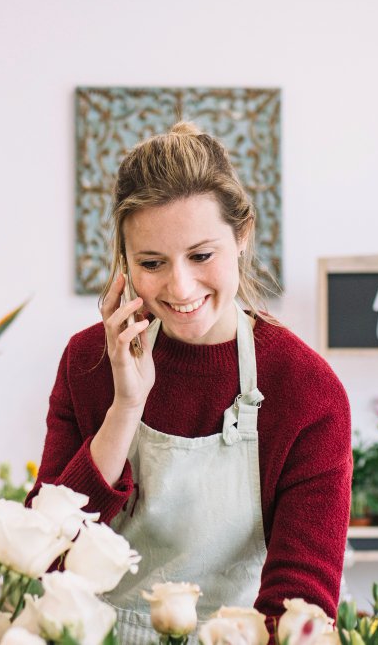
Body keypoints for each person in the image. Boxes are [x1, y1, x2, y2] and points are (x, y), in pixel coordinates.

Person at [28, 122, 351, 640]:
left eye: (201, 256)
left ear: (241, 235)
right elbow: (43, 551)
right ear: (125, 261)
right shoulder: (89, 360)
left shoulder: (306, 388)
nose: (180, 287)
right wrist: (126, 406)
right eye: (151, 263)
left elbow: (301, 606)